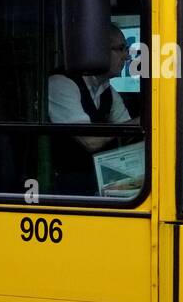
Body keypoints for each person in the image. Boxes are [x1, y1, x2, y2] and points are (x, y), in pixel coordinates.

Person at [48, 26, 137, 194]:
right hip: (62, 184)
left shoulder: (107, 91)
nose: (126, 57)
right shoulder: (61, 84)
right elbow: (90, 141)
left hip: (94, 179)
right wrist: (141, 122)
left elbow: (128, 131)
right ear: (96, 50)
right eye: (120, 49)